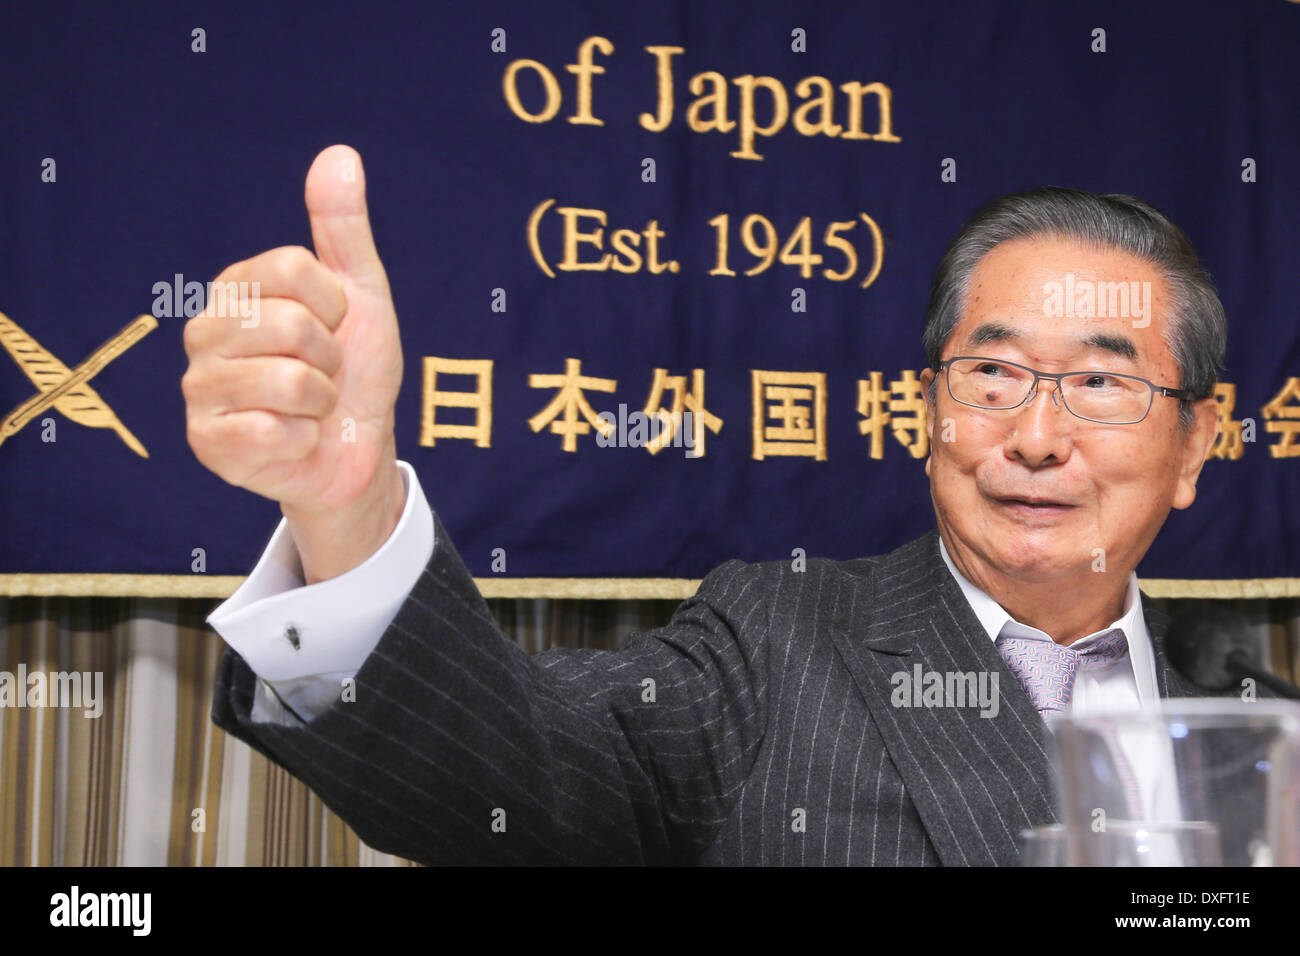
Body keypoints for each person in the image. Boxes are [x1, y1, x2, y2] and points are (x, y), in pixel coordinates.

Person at [188, 145, 1227, 865]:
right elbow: (509, 771)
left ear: (1194, 442)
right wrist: (351, 512)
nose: (1035, 435)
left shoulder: (1248, 733)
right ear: (926, 413)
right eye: (991, 372)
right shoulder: (774, 644)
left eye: (1100, 384)